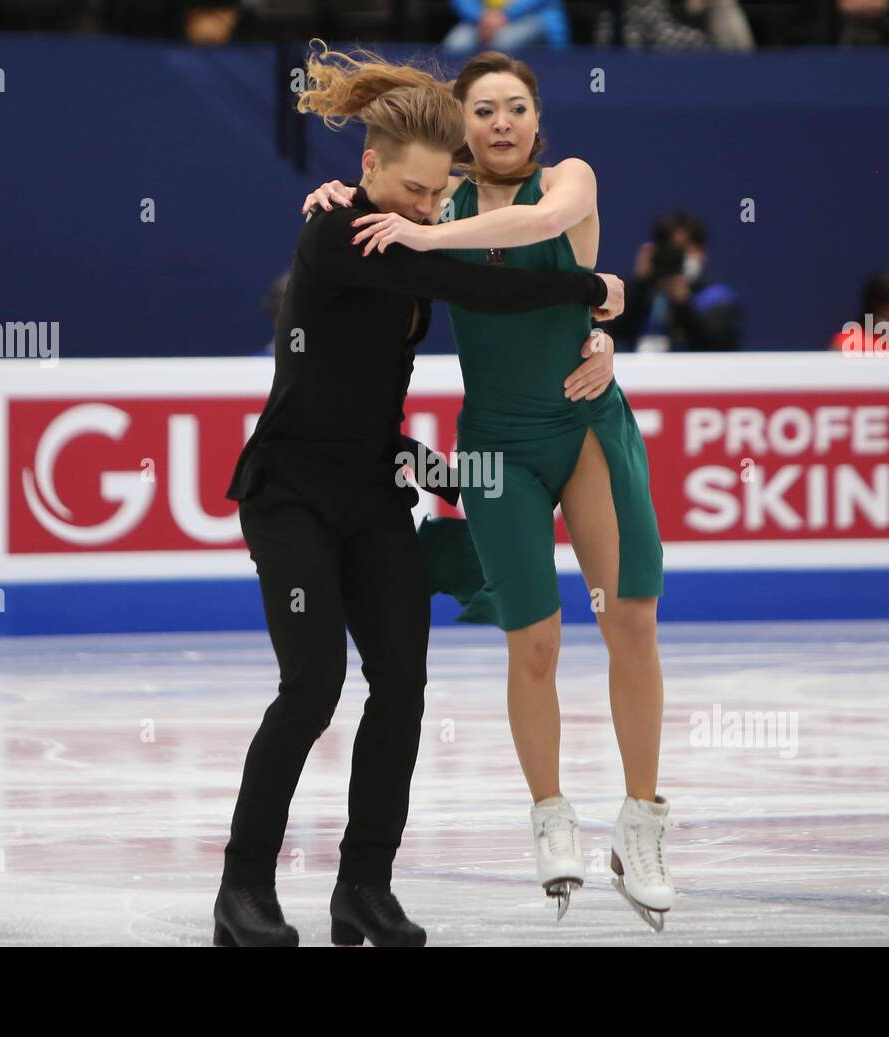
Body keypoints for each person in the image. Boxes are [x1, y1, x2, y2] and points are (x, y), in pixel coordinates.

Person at [216, 42, 624, 948]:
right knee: (313, 684)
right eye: (411, 192)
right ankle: (243, 889)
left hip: (371, 491)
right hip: (289, 494)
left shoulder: (404, 231)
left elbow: (432, 303)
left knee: (401, 682)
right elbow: (458, 275)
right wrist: (590, 287)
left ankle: (364, 887)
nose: (427, 209)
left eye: (441, 195)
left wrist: (443, 474)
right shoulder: (337, 232)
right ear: (367, 169)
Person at [301, 50, 674, 929]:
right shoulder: (441, 199)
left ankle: (643, 818)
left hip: (585, 425)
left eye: (516, 107)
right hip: (499, 445)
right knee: (534, 640)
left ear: (538, 121)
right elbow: (372, 210)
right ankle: (551, 814)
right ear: (462, 127)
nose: (501, 121)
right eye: (484, 110)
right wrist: (331, 197)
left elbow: (547, 221)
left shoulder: (566, 182)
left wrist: (428, 239)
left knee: (628, 617)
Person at [604, 210, 742, 352]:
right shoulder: (642, 292)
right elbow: (609, 333)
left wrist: (682, 304)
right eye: (669, 249)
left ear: (701, 252)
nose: (676, 257)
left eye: (684, 249)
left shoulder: (718, 297)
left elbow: (720, 347)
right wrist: (639, 285)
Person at [442, 0, 571, 53]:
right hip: (481, 20)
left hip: (531, 18)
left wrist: (505, 15)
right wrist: (481, 17)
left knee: (502, 42)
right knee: (456, 43)